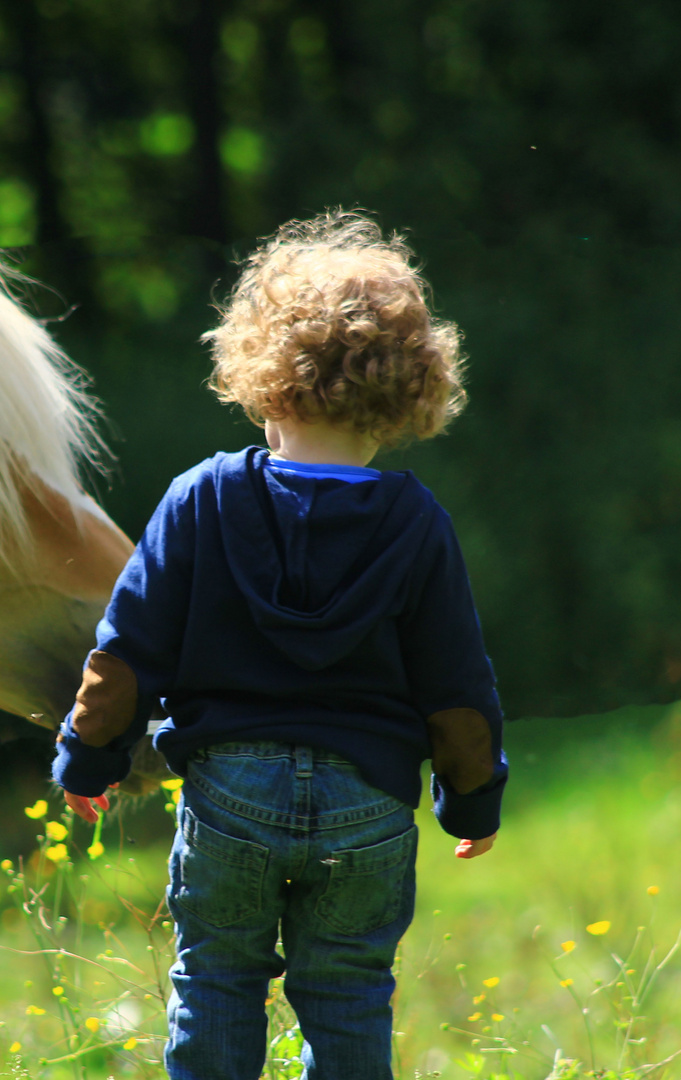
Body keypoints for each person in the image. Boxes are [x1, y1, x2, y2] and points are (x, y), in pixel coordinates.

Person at [52, 211, 505, 1080]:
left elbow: (126, 653)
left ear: (260, 372)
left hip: (229, 795)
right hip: (367, 804)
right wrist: (472, 800)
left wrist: (88, 759)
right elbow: (454, 686)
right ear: (408, 388)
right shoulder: (416, 523)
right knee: (346, 993)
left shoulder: (201, 498)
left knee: (216, 980)